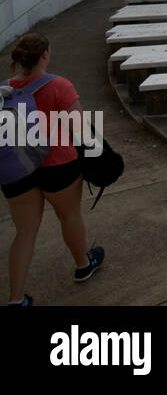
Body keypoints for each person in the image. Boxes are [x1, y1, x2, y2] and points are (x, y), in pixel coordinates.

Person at [4, 32, 104, 306]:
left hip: (18, 169)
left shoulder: (5, 91)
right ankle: (84, 265)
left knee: (24, 232)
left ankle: (16, 299)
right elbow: (80, 129)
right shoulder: (60, 86)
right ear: (45, 55)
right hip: (58, 164)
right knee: (70, 216)